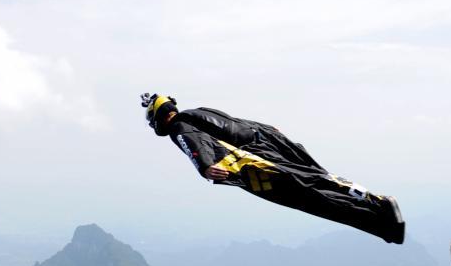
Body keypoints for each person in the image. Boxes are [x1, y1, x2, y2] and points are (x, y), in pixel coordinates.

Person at [141, 93, 405, 244]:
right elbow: (237, 122)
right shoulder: (200, 111)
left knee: (310, 195)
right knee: (316, 180)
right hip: (269, 141)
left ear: (158, 116)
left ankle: (379, 209)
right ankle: (379, 217)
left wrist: (205, 166)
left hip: (256, 164)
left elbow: (193, 143)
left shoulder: (178, 126)